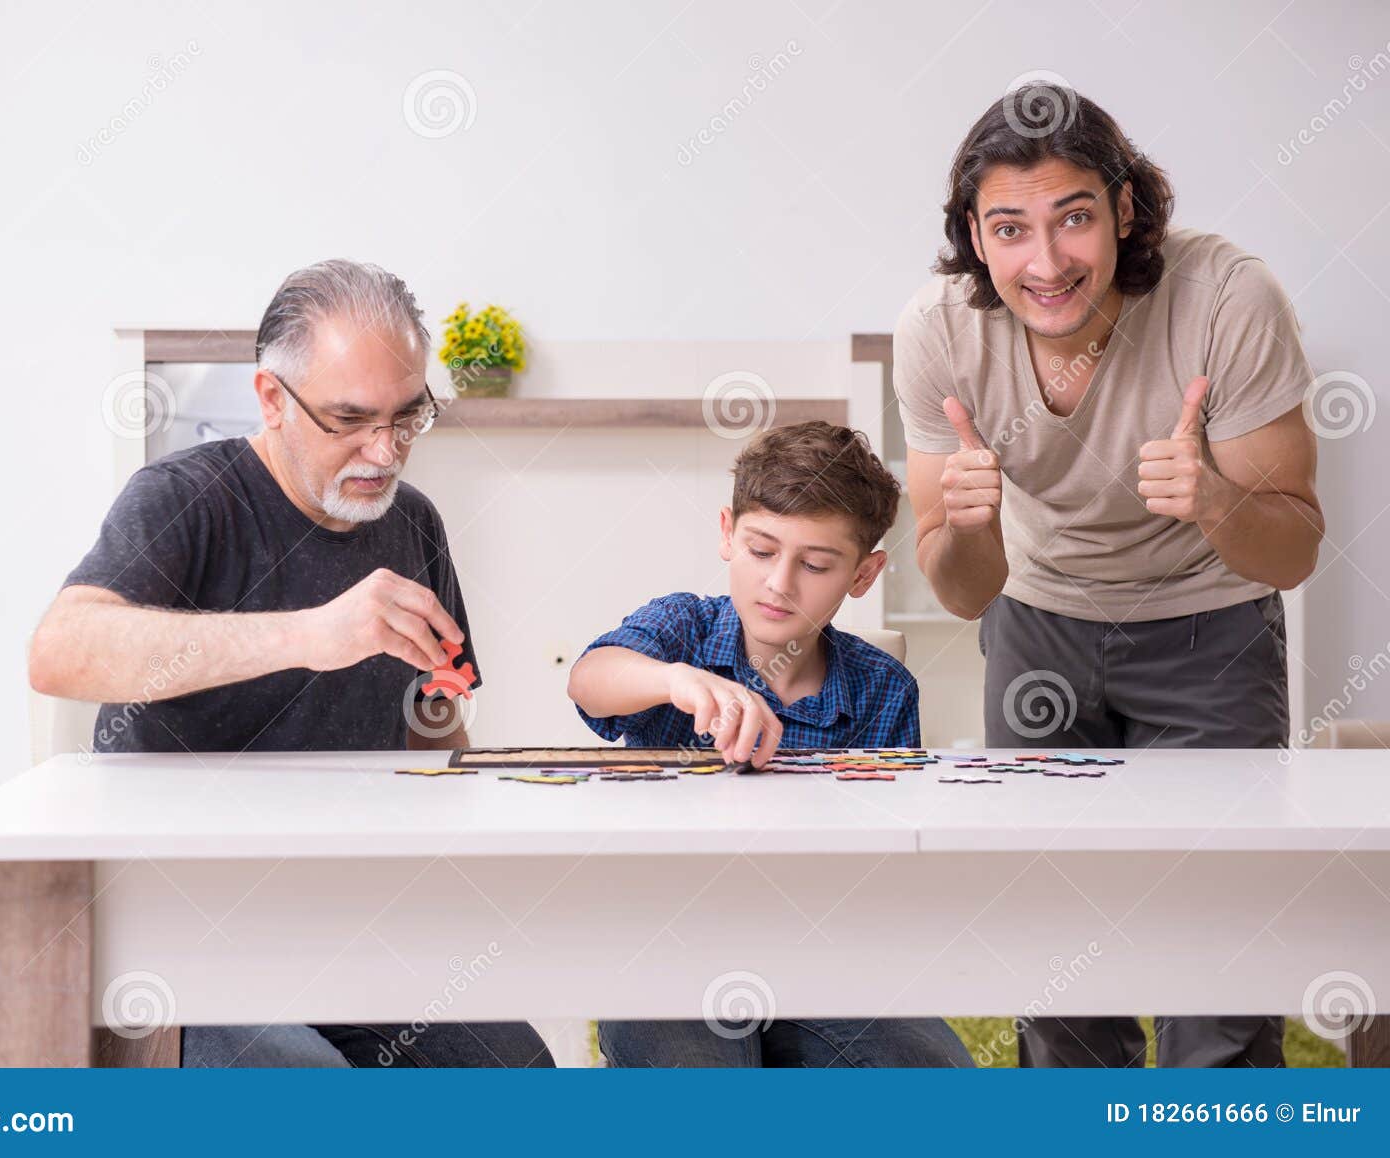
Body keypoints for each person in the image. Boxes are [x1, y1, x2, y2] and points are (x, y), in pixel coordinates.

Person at [28, 258, 553, 1069]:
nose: (385, 450)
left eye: (408, 415)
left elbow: (435, 716)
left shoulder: (413, 522)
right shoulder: (184, 498)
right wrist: (309, 636)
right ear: (272, 399)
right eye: (350, 419)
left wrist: (456, 811)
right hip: (180, 933)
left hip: (349, 925)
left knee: (519, 1073)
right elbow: (61, 651)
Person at [894, 85, 1323, 1068]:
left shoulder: (1227, 298)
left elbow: (1295, 551)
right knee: (1058, 966)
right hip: (1038, 623)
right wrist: (970, 525)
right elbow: (962, 591)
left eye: (1074, 217)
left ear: (1125, 208)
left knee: (1216, 966)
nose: (1046, 264)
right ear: (975, 234)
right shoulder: (938, 332)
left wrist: (1214, 501)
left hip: (1212, 629)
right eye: (1011, 229)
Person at [567, 421, 972, 1068]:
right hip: (666, 949)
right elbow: (591, 681)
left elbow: (884, 871)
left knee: (932, 1069)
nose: (780, 582)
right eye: (761, 551)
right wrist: (676, 680)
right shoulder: (683, 628)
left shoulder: (884, 688)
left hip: (817, 956)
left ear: (864, 574)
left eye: (815, 565)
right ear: (727, 534)